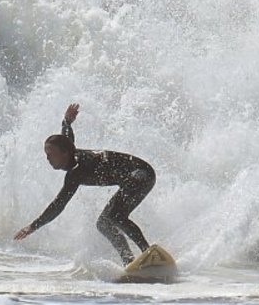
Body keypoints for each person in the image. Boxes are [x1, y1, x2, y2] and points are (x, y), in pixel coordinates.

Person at [12, 103, 156, 264]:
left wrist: (33, 226)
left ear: (65, 153)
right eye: (47, 154)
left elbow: (59, 204)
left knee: (115, 216)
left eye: (51, 155)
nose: (48, 159)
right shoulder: (69, 152)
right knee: (103, 223)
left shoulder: (78, 170)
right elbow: (66, 136)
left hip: (141, 174)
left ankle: (148, 253)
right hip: (130, 179)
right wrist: (66, 121)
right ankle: (128, 259)